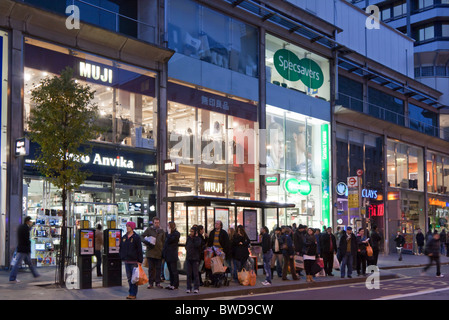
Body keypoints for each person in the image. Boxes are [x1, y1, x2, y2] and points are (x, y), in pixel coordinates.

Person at [9, 216, 40, 283]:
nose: (31, 222)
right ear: (28, 221)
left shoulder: (22, 227)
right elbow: (26, 238)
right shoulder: (25, 228)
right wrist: (29, 242)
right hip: (24, 249)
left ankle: (35, 274)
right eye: (30, 221)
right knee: (17, 264)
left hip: (22, 248)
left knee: (29, 263)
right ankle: (12, 278)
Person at [119, 221, 143, 299]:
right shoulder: (124, 237)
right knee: (129, 278)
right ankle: (131, 293)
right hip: (126, 260)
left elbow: (139, 249)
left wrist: (140, 260)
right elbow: (121, 247)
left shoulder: (136, 237)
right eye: (126, 226)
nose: (127, 227)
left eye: (128, 226)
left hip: (134, 261)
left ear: (132, 227)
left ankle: (133, 294)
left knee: (134, 279)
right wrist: (121, 256)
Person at [141, 217, 166, 289]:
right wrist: (146, 242)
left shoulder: (161, 231)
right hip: (150, 252)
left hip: (159, 252)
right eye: (155, 223)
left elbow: (164, 241)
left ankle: (158, 282)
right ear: (153, 223)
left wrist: (163, 250)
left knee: (158, 268)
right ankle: (150, 283)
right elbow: (142, 236)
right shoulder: (149, 230)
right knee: (151, 269)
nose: (157, 224)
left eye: (158, 223)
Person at [163, 221, 180, 290]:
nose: (167, 227)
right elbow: (165, 242)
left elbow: (170, 240)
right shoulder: (167, 233)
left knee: (174, 270)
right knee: (170, 270)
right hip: (167, 254)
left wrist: (169, 233)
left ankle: (175, 284)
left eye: (168, 226)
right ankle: (171, 283)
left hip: (172, 255)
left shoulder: (176, 234)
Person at [185, 226, 201, 293]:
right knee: (188, 274)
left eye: (192, 231)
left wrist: (196, 237)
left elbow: (197, 245)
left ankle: (196, 288)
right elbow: (186, 246)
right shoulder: (188, 238)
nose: (191, 233)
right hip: (189, 258)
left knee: (195, 274)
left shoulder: (198, 239)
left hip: (195, 258)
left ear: (195, 232)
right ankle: (189, 287)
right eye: (190, 231)